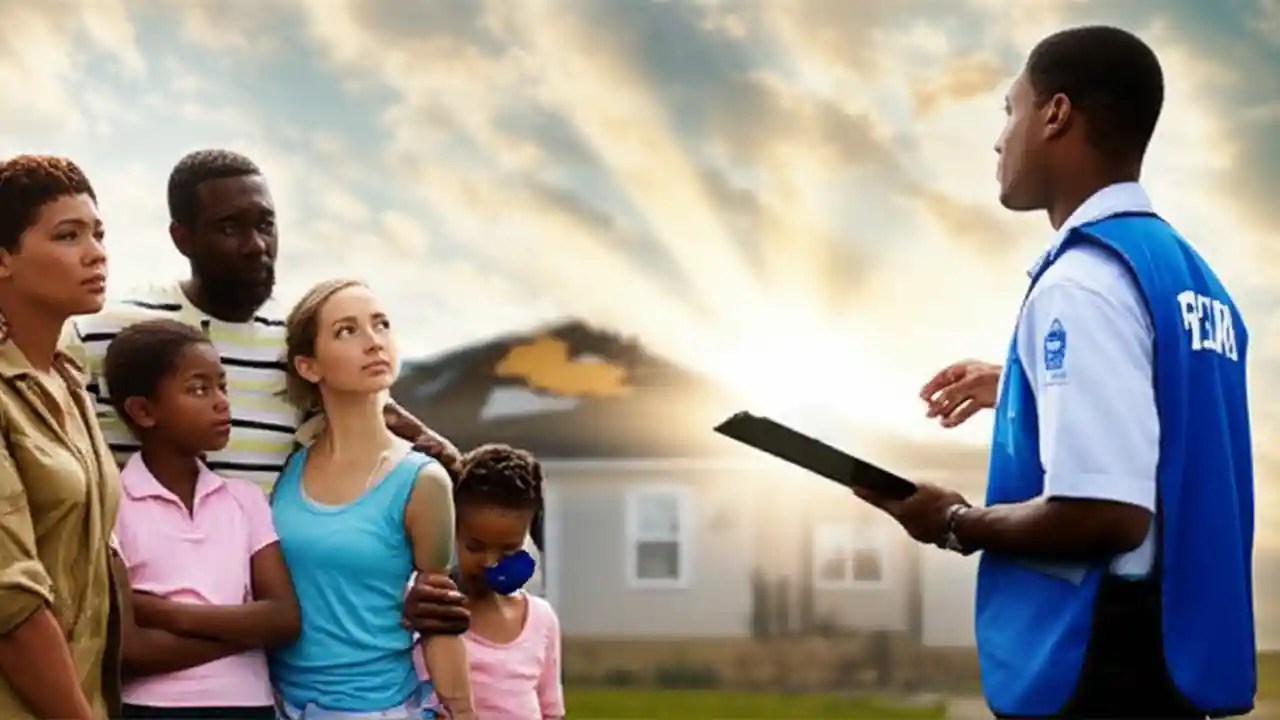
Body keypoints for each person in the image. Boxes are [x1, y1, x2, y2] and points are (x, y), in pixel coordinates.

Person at [857, 26, 1254, 719]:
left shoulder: (1081, 283)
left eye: (1010, 110)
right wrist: (1022, 384)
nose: (999, 141)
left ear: (1056, 114)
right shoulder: (1193, 279)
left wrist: (952, 520)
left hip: (1104, 667)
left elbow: (1106, 515)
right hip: (1176, 655)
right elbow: (1168, 419)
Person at [61, 148, 474, 639]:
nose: (256, 245)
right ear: (182, 237)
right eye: (229, 228)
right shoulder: (106, 334)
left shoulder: (298, 348)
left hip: (274, 637)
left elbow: (385, 449)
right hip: (138, 632)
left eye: (265, 224)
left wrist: (430, 580)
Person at [270, 279, 475, 720]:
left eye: (381, 325)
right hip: (278, 703)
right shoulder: (287, 470)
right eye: (347, 331)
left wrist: (462, 711)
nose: (373, 342)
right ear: (308, 366)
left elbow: (439, 617)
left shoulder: (422, 481)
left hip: (376, 707)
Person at [103, 319, 300, 719]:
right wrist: (246, 633)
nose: (221, 402)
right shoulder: (113, 505)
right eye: (198, 389)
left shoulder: (244, 500)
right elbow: (130, 651)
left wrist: (167, 613)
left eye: (222, 386)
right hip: (153, 709)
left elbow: (284, 619)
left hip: (248, 707)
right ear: (143, 411)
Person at [0, 155, 120, 719]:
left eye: (98, 234)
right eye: (68, 236)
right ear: (3, 258)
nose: (96, 253)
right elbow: (10, 602)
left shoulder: (71, 382)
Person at [419, 443, 564, 719]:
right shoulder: (428, 611)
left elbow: (551, 711)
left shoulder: (541, 620)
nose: (490, 562)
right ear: (453, 530)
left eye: (508, 549)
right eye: (475, 547)